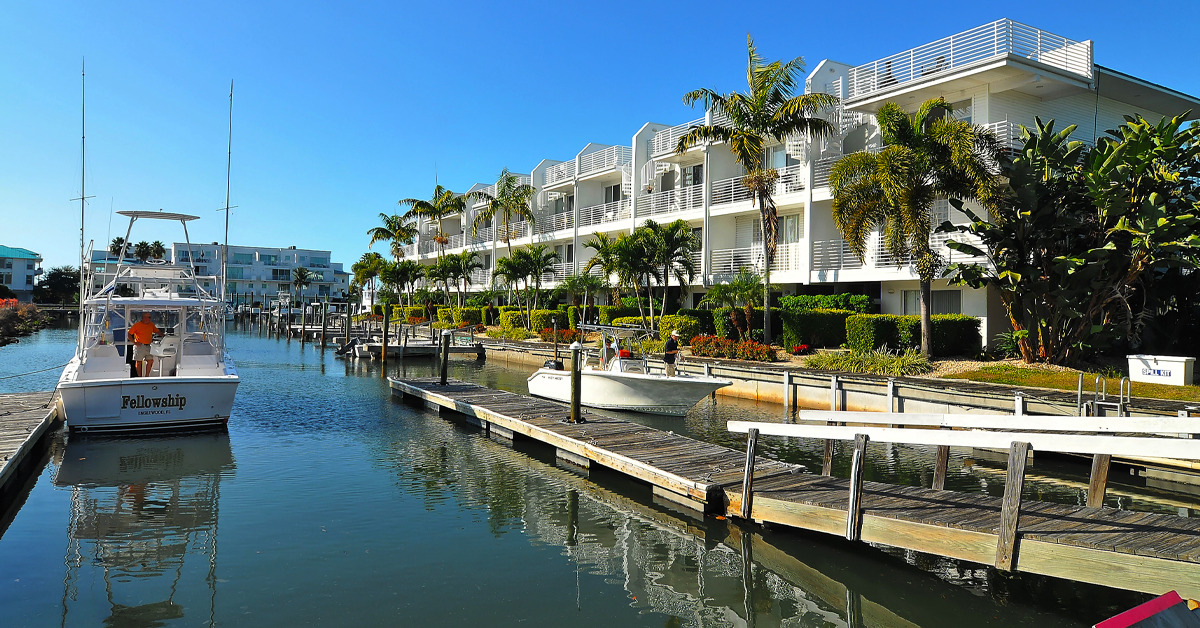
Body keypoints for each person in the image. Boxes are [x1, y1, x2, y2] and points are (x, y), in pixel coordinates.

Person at [128, 312, 160, 377]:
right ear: (143, 317)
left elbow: (157, 331)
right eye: (148, 317)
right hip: (140, 346)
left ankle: (147, 376)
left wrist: (165, 336)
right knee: (139, 362)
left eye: (150, 317)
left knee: (150, 361)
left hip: (149, 345)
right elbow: (129, 334)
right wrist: (134, 342)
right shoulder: (137, 325)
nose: (149, 319)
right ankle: (139, 377)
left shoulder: (151, 325)